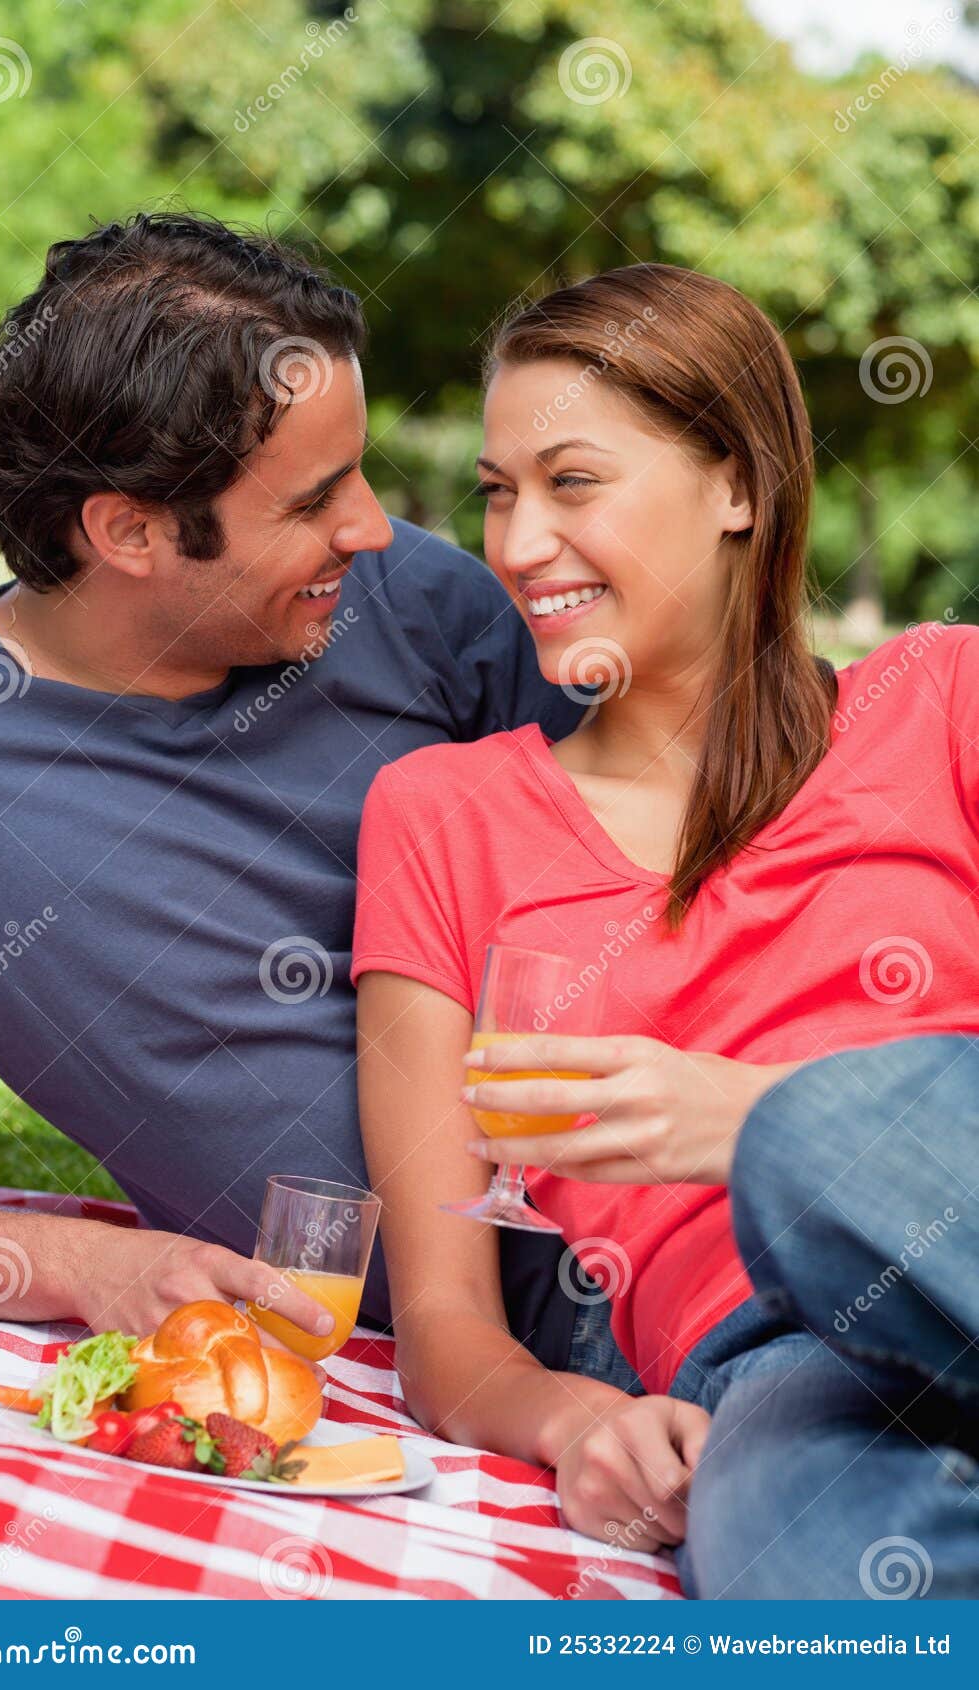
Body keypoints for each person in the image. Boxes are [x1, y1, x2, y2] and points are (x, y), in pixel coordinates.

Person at [352, 261, 979, 1597]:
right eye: (495, 492)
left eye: (571, 482)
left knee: (811, 1141)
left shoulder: (943, 699)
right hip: (781, 1363)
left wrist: (748, 1122)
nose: (516, 545)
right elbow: (448, 1321)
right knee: (801, 1577)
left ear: (739, 487)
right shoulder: (440, 815)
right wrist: (578, 1419)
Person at [0, 212, 583, 1356]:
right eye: (313, 500)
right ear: (129, 529)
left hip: (684, 1215)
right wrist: (88, 1264)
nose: (371, 526)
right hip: (481, 1344)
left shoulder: (412, 603)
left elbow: (678, 841)